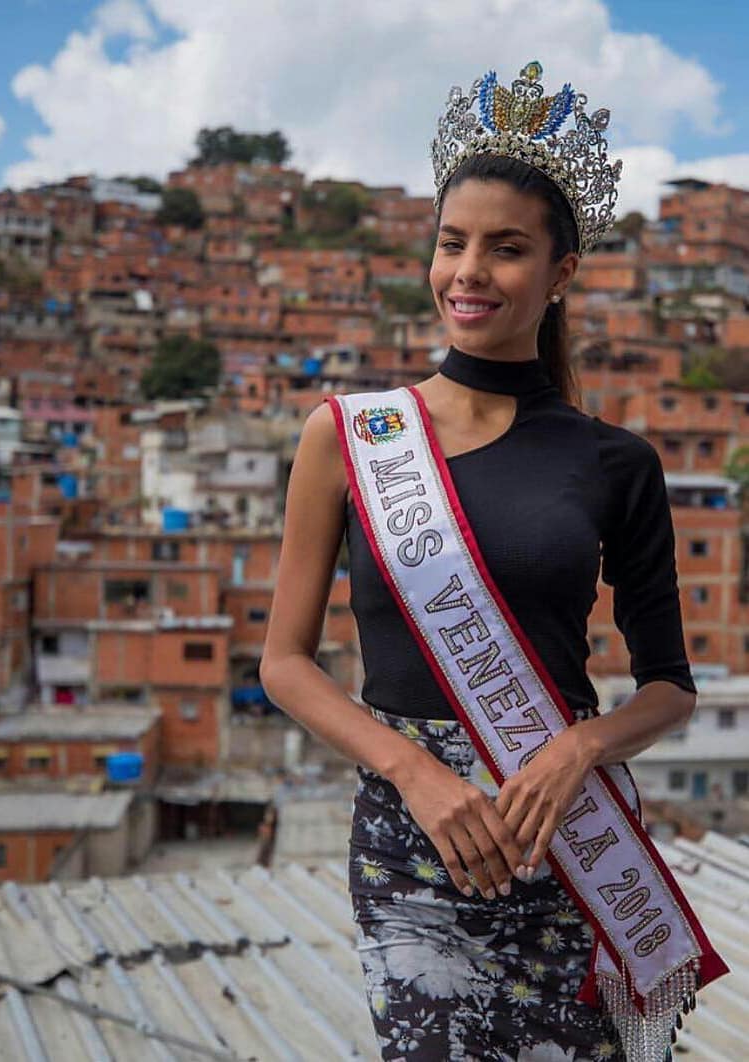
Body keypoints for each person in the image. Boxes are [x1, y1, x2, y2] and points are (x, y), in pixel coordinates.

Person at [260, 61, 726, 1061]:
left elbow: (669, 688)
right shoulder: (351, 437)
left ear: (561, 273)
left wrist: (577, 749)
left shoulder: (616, 461)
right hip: (414, 844)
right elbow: (284, 664)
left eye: (506, 249)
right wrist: (414, 774)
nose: (468, 271)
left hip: (568, 835)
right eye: (452, 242)